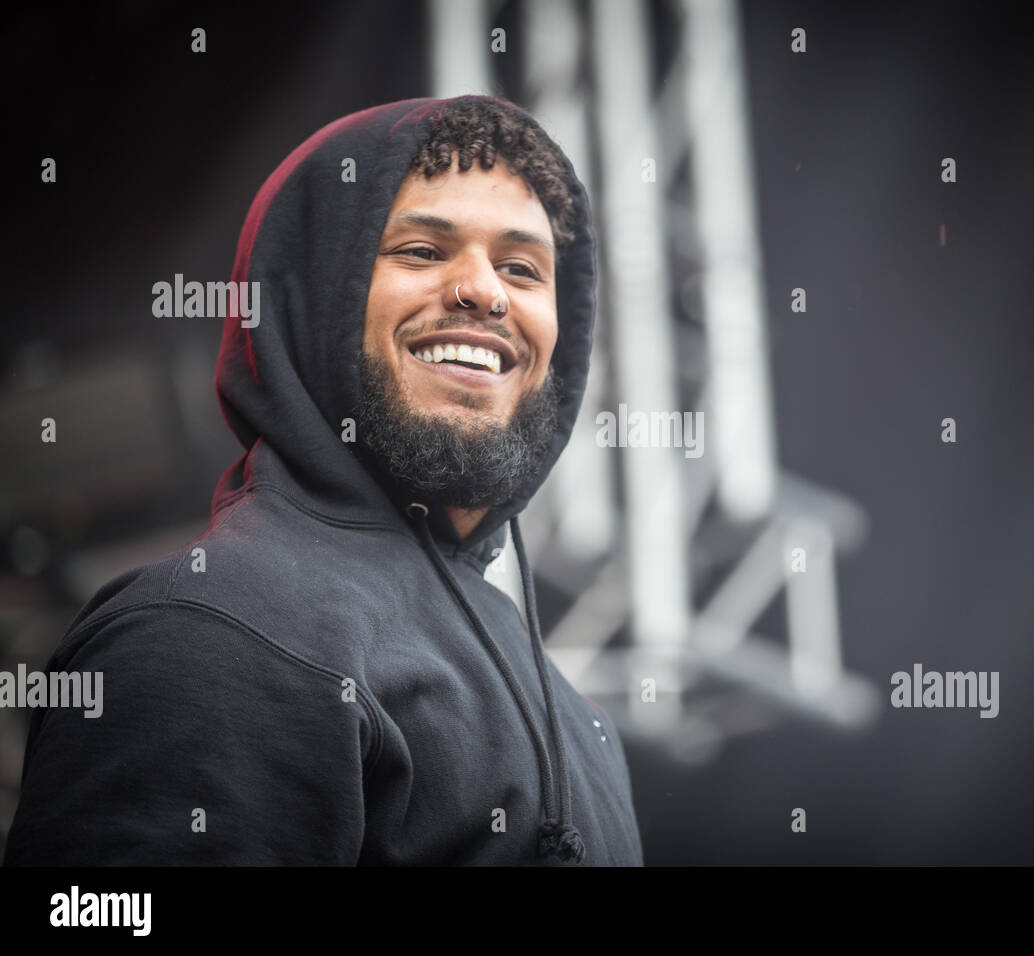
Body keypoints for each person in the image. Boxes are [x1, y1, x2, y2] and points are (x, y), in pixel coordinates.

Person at [4, 95, 643, 866]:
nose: (487, 292)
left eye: (521, 267)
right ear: (310, 299)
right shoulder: (206, 632)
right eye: (421, 251)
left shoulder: (578, 721)